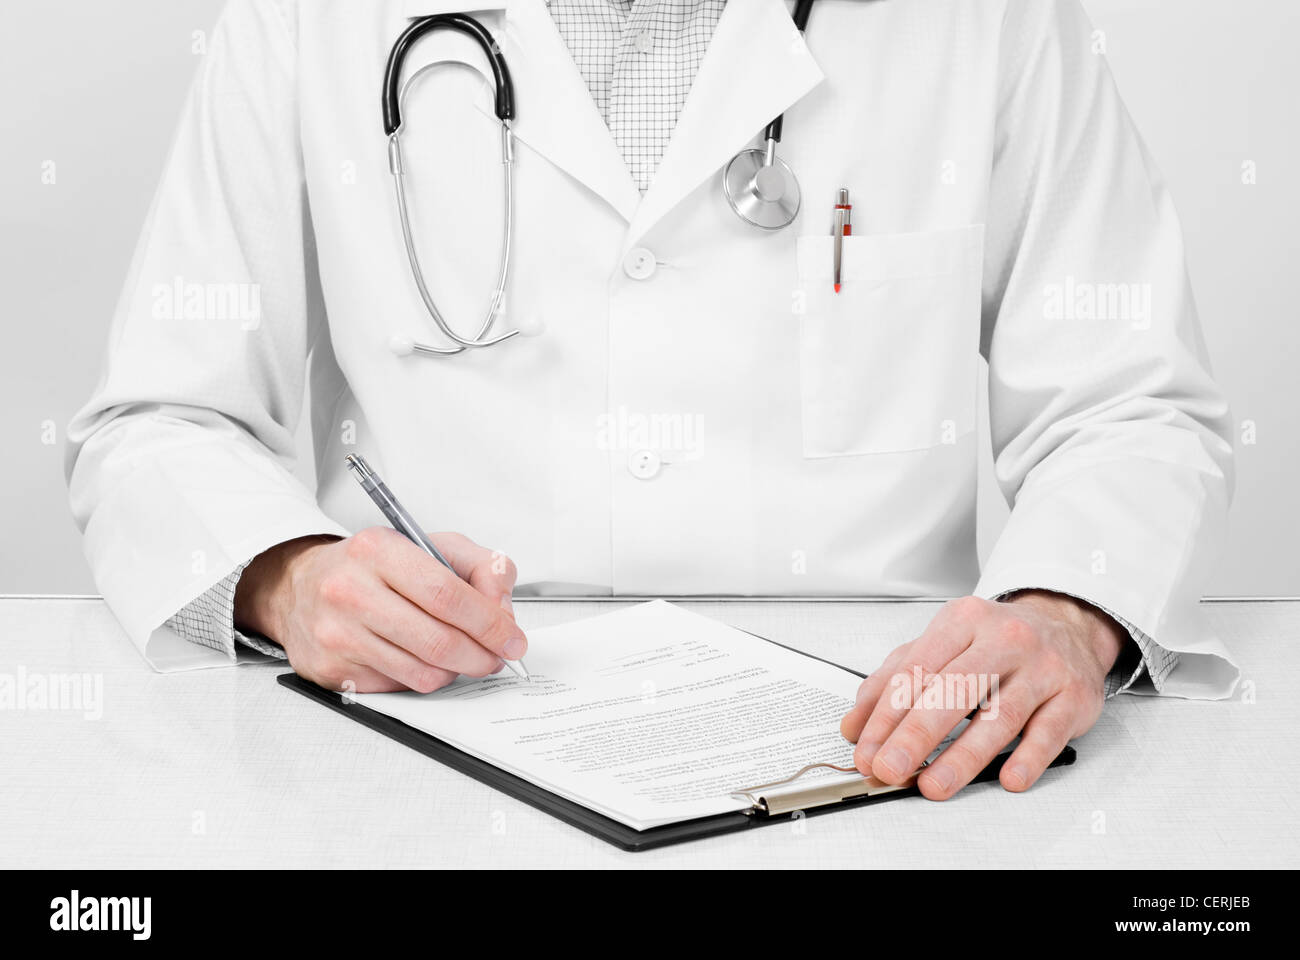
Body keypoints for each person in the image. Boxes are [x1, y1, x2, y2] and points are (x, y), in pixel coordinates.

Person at [66, 0, 1237, 802]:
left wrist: (1063, 610)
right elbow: (162, 419)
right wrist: (288, 576)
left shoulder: (987, 19)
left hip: (881, 772)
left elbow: (1129, 402)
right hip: (419, 755)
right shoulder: (309, 18)